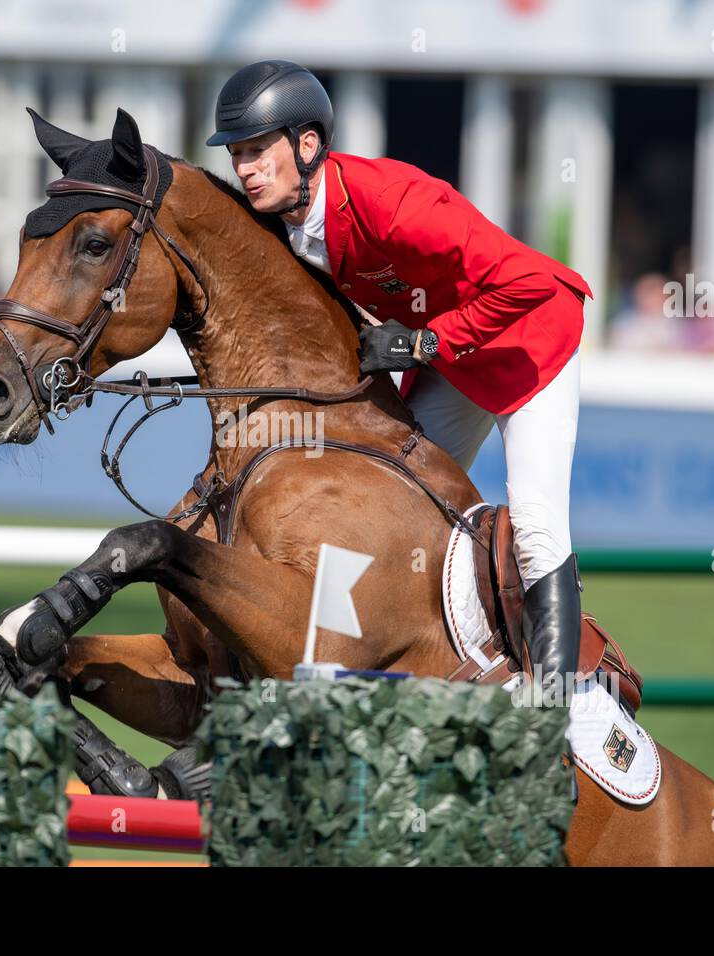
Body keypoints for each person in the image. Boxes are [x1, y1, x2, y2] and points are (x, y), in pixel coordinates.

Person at [207, 60, 590, 698]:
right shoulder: (285, 220)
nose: (244, 168)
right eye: (236, 155)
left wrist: (425, 341)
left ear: (307, 146)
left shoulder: (392, 201)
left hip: (531, 344)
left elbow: (530, 283)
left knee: (536, 526)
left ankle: (553, 721)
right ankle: (319, 679)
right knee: (367, 496)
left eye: (256, 151)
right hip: (453, 362)